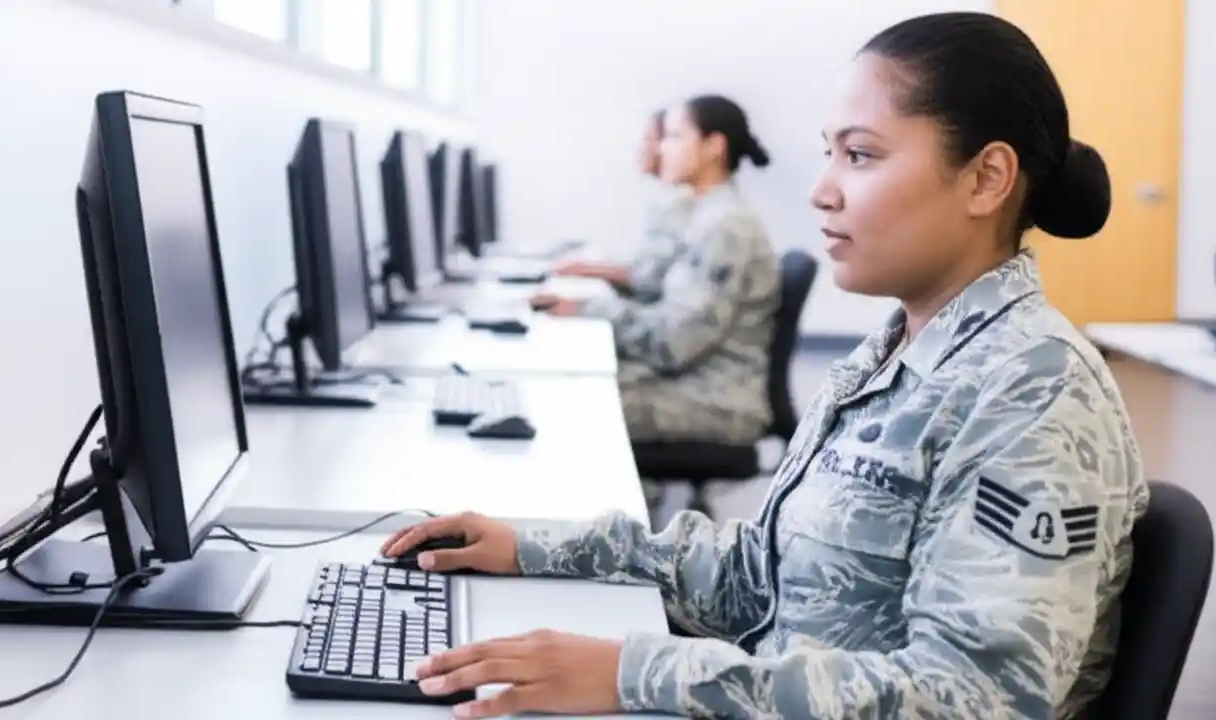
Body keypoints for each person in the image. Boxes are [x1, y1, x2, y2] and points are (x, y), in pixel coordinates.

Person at [382, 12, 1148, 719]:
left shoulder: (1034, 394)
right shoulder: (896, 352)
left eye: (860, 155)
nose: (821, 191)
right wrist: (533, 547)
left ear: (986, 179)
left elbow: (977, 700)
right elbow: (763, 576)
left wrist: (635, 672)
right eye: (829, 153)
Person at [536, 94, 779, 446]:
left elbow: (673, 344)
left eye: (675, 137)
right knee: (564, 379)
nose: (662, 149)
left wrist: (590, 308)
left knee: (563, 404)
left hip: (717, 402)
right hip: (688, 380)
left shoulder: (726, 227)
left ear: (713, 146)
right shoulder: (705, 214)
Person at [555, 109, 695, 300]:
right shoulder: (666, 200)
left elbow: (651, 280)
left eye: (648, 139)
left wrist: (585, 270)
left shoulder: (684, 206)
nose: (641, 148)